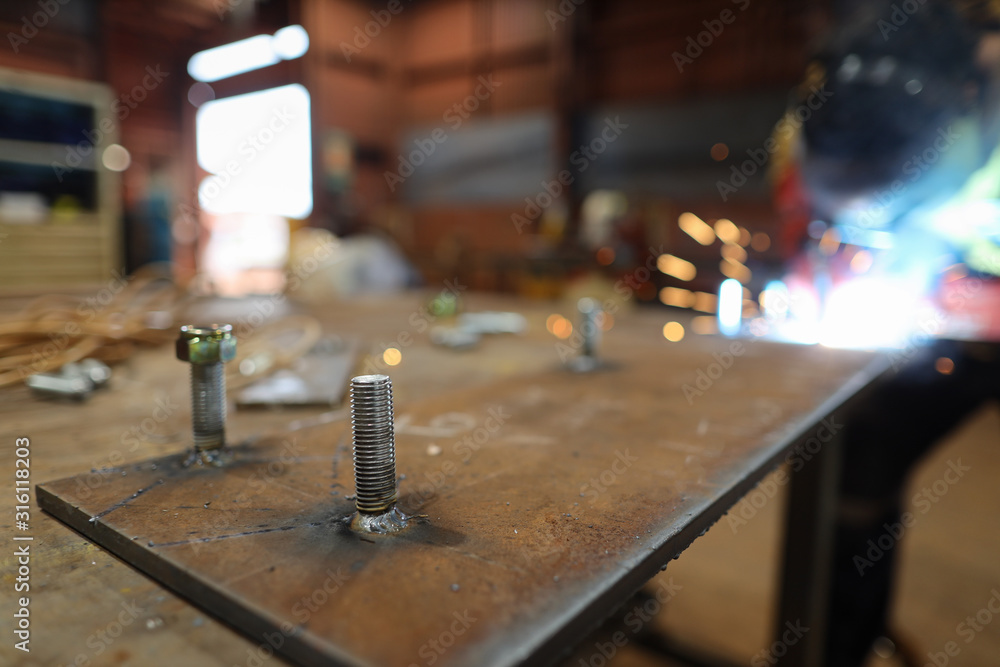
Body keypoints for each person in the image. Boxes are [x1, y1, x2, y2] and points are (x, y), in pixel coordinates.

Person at [771, 1, 1000, 664]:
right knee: (858, 448)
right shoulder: (811, 122)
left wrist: (966, 300)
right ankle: (841, 641)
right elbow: (802, 239)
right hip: (940, 310)